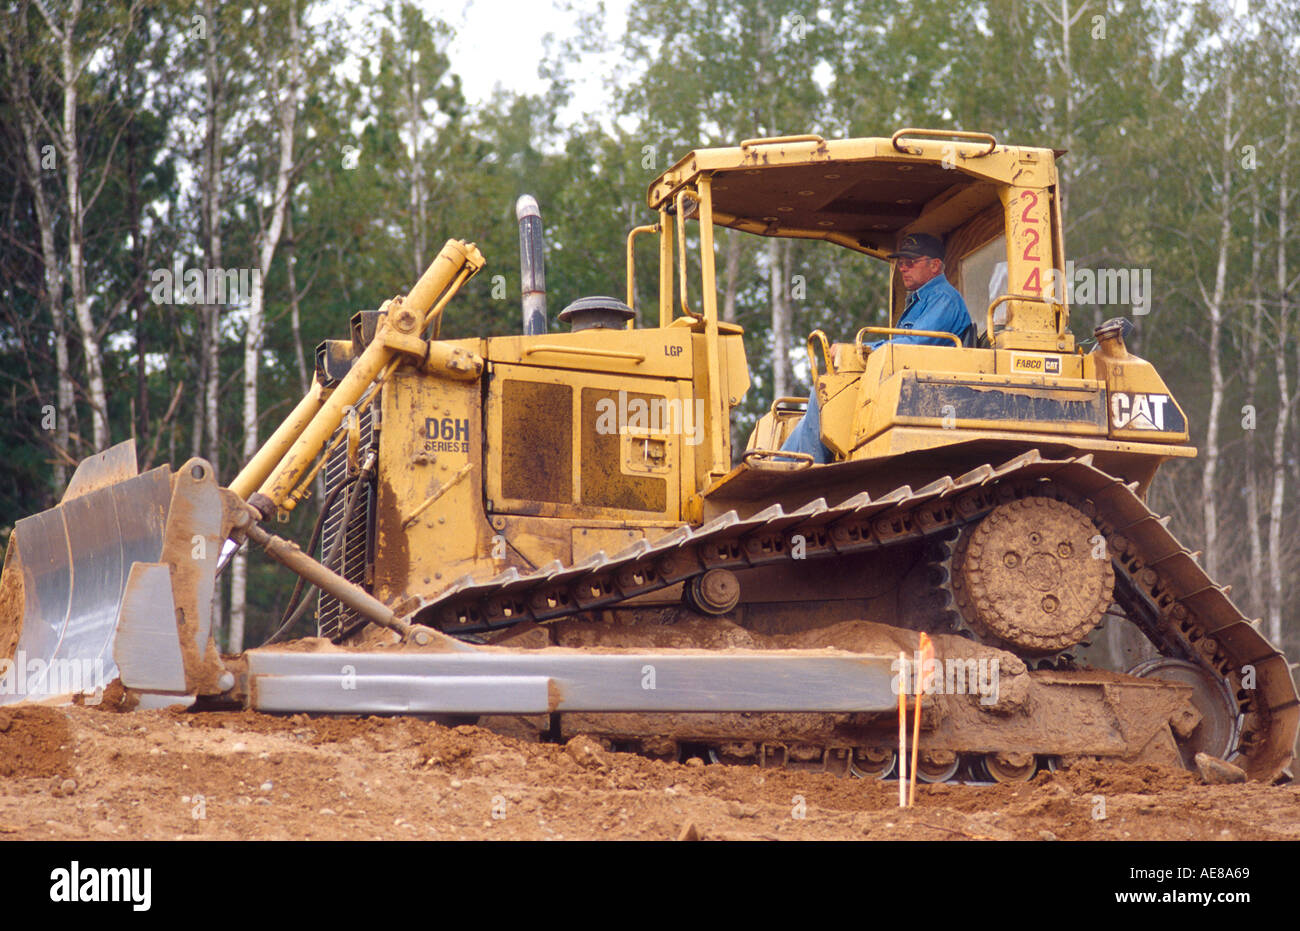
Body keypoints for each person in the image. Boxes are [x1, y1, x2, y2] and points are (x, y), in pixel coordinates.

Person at [779, 233, 972, 463]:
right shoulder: (924, 300)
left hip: (931, 385)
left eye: (910, 263)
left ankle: (800, 466)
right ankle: (787, 463)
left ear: (935, 265)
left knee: (825, 392)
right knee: (823, 392)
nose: (902, 268)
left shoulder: (944, 299)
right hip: (913, 379)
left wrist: (862, 349)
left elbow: (912, 346)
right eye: (900, 263)